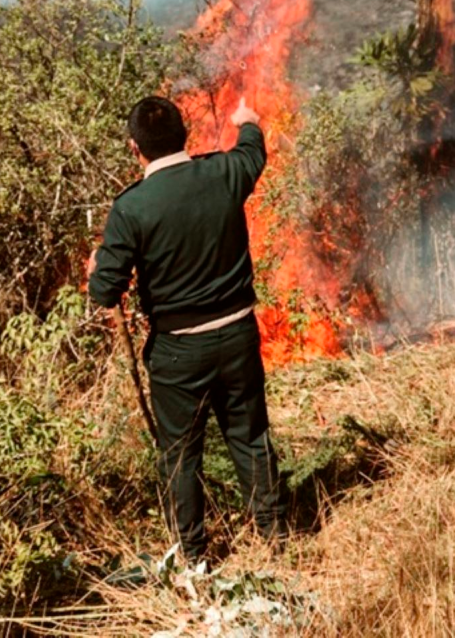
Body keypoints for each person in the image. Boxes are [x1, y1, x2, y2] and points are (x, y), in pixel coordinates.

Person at [88, 95, 284, 561]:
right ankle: (275, 539)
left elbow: (104, 291)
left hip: (178, 352)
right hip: (238, 335)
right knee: (250, 436)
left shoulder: (131, 208)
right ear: (185, 134)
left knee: (180, 455)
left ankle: (194, 557)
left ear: (135, 148)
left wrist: (101, 267)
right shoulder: (223, 173)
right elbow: (253, 150)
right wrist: (248, 120)